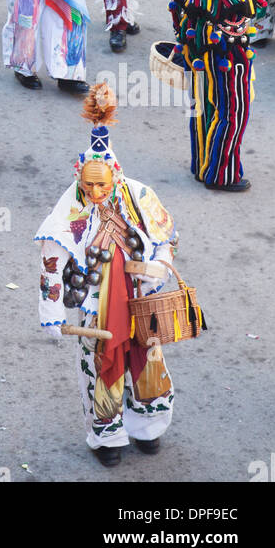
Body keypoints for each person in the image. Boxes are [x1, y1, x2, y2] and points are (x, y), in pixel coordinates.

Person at [35, 81, 181, 467]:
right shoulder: (69, 208)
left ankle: (148, 425)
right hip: (96, 306)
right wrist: (51, 313)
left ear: (114, 175)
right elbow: (52, 260)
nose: (96, 192)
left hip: (141, 298)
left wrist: (159, 267)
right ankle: (107, 436)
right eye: (88, 184)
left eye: (102, 184)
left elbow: (168, 239)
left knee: (148, 361)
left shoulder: (139, 196)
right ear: (79, 179)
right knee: (101, 366)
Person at [167, 0, 264, 191]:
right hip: (227, 55)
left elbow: (178, 3)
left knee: (201, 107)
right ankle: (221, 174)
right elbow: (252, 2)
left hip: (195, 50)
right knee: (233, 111)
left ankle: (202, 164)